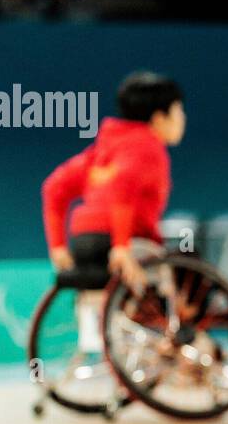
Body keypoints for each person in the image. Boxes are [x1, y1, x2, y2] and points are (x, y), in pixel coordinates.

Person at [41, 72, 185, 309]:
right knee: (189, 260)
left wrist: (57, 245)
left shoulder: (102, 151)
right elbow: (123, 187)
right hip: (121, 242)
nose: (183, 118)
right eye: (179, 110)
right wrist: (120, 246)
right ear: (160, 118)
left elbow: (53, 187)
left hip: (84, 243)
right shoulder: (149, 147)